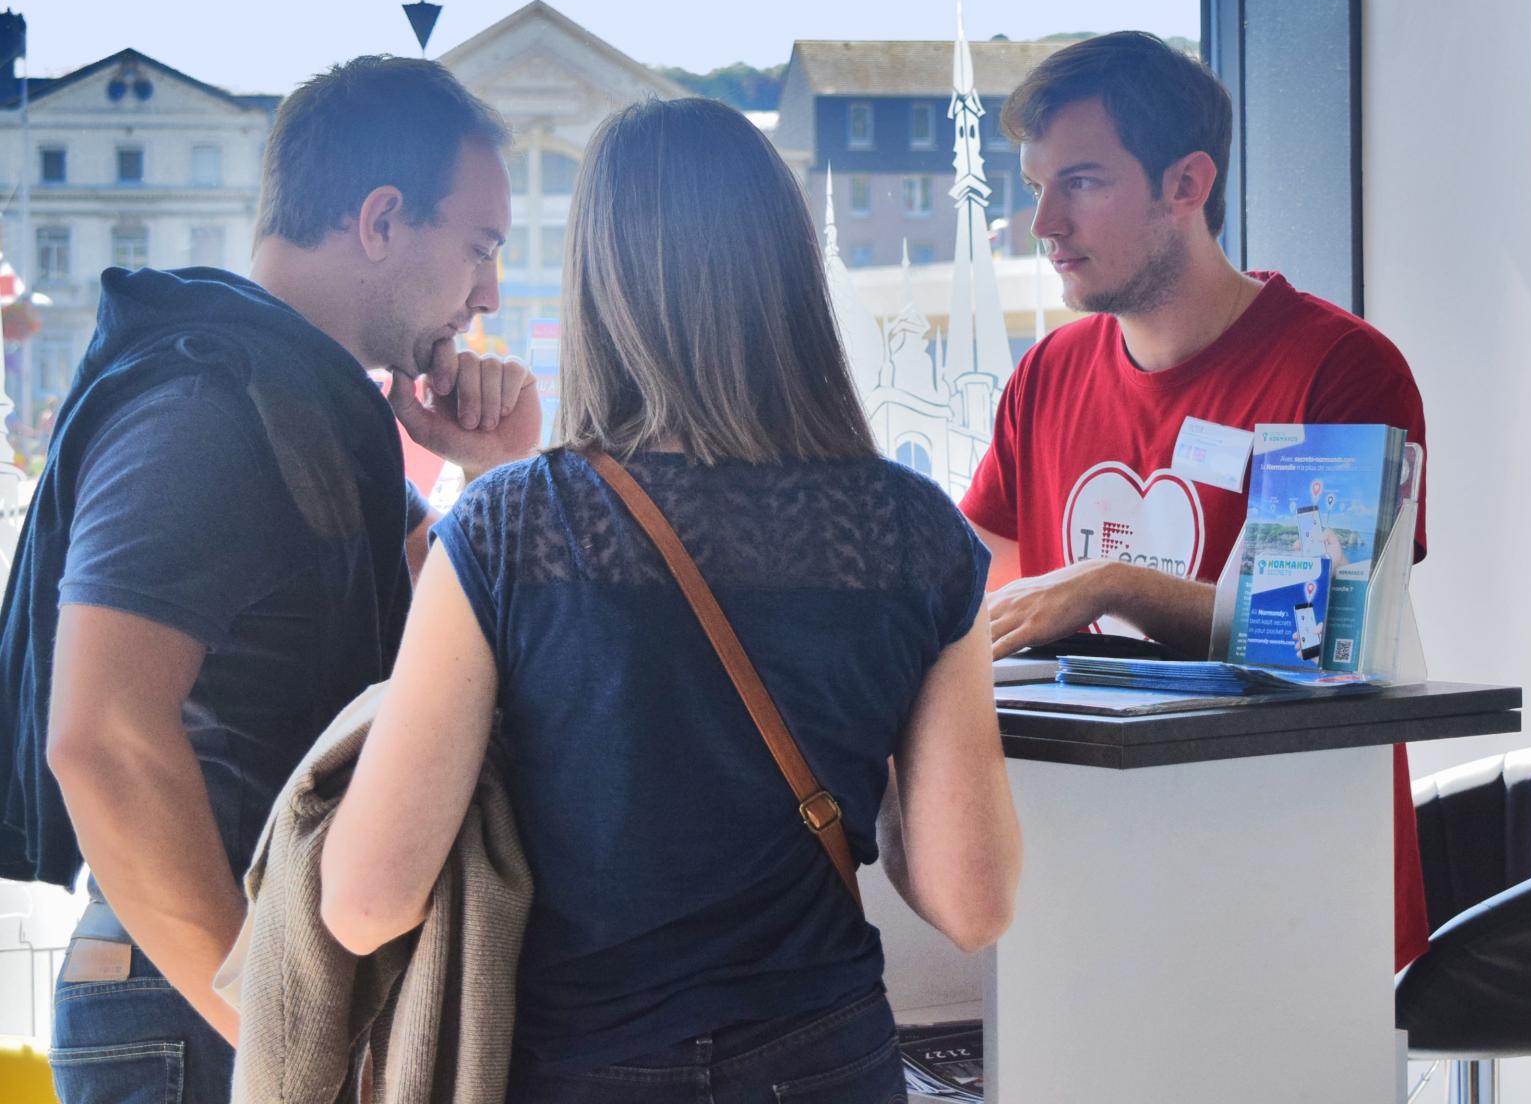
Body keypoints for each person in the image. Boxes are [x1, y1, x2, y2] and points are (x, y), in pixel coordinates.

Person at [320, 97, 1021, 1103]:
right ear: (787, 273)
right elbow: (972, 902)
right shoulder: (916, 534)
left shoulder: (511, 529)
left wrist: (482, 478)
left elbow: (364, 904)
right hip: (826, 1064)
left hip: (580, 1068)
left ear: (602, 284)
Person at [0, 55, 542, 1104]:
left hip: (217, 1000)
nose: (488, 292)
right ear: (380, 221)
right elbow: (101, 737)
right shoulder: (212, 403)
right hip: (193, 1014)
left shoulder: (304, 412)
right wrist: (283, 1032)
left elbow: (462, 647)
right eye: (478, 247)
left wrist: (499, 472)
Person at [958, 30, 1432, 969]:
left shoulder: (1338, 369)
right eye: (1034, 185)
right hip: (1099, 873)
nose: (1044, 222)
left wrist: (1110, 582)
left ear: (1187, 184)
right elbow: (983, 599)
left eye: (1082, 182)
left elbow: (1319, 636)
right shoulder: (1047, 373)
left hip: (1298, 877)